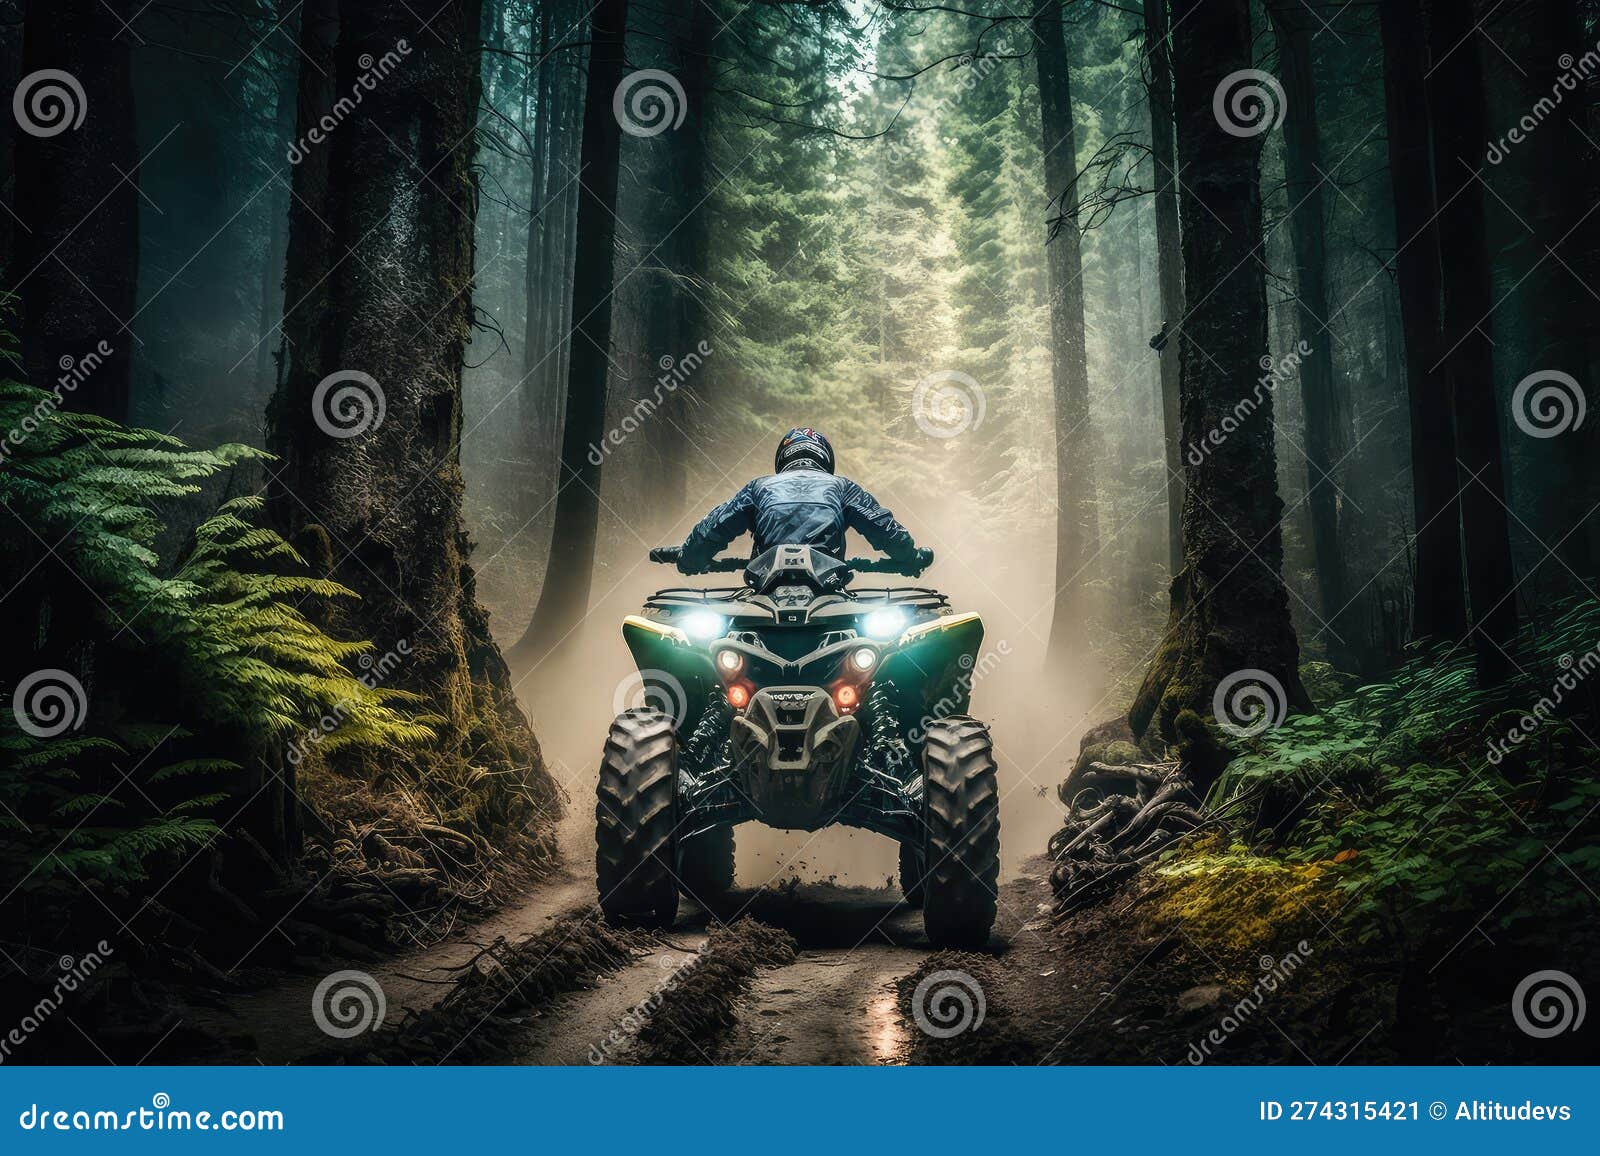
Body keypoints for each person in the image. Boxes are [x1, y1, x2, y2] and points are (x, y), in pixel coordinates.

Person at [677, 428, 926, 573]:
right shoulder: (843, 486)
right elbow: (884, 528)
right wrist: (910, 558)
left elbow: (713, 528)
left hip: (766, 586)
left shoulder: (758, 487)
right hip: (829, 586)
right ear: (825, 457)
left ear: (783, 457)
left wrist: (689, 559)